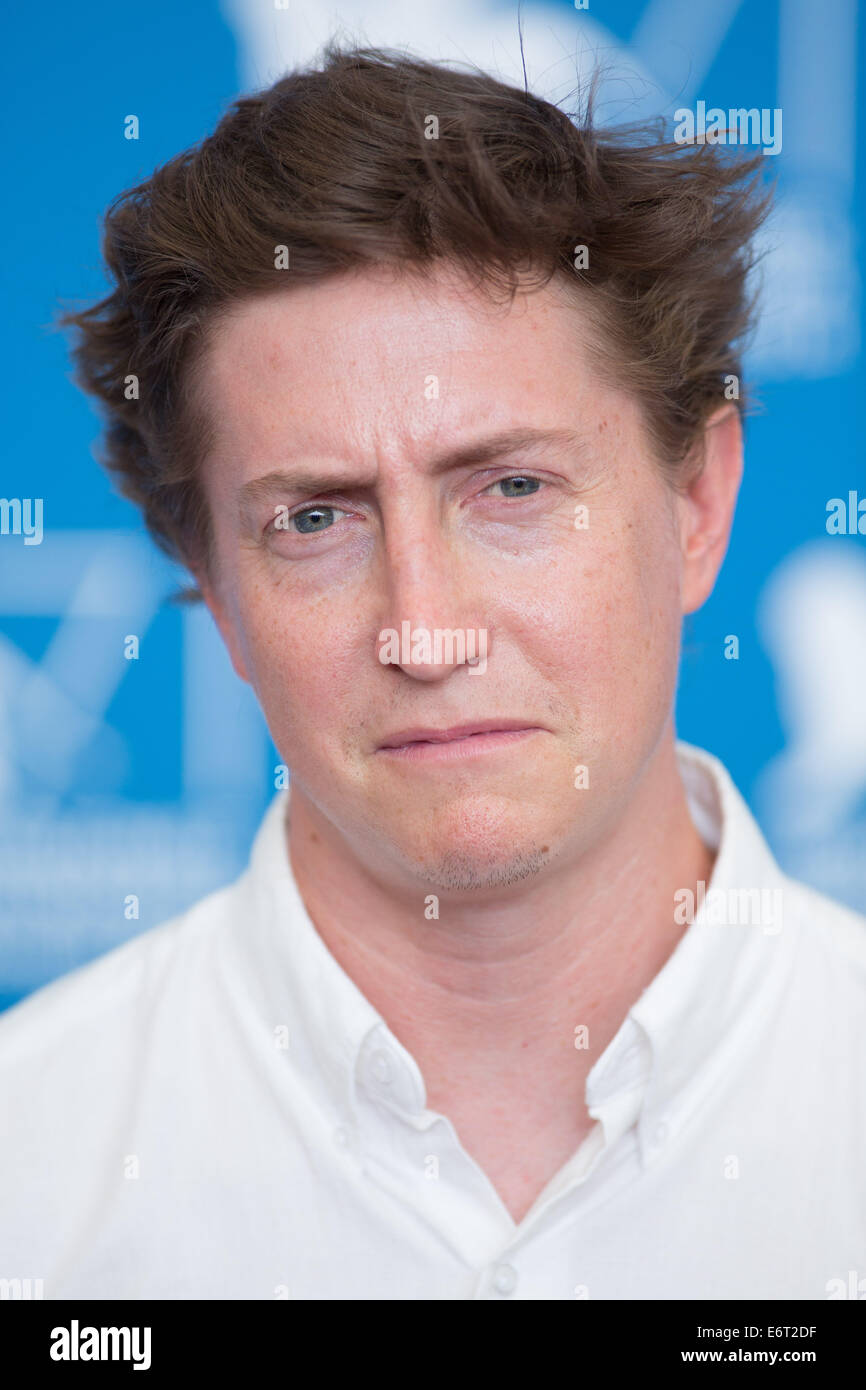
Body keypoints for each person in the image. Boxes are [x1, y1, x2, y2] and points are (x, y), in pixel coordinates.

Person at [1, 44, 864, 1301]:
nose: (425, 629)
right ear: (213, 589)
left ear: (695, 502)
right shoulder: (30, 1169)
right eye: (315, 519)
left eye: (511, 489)